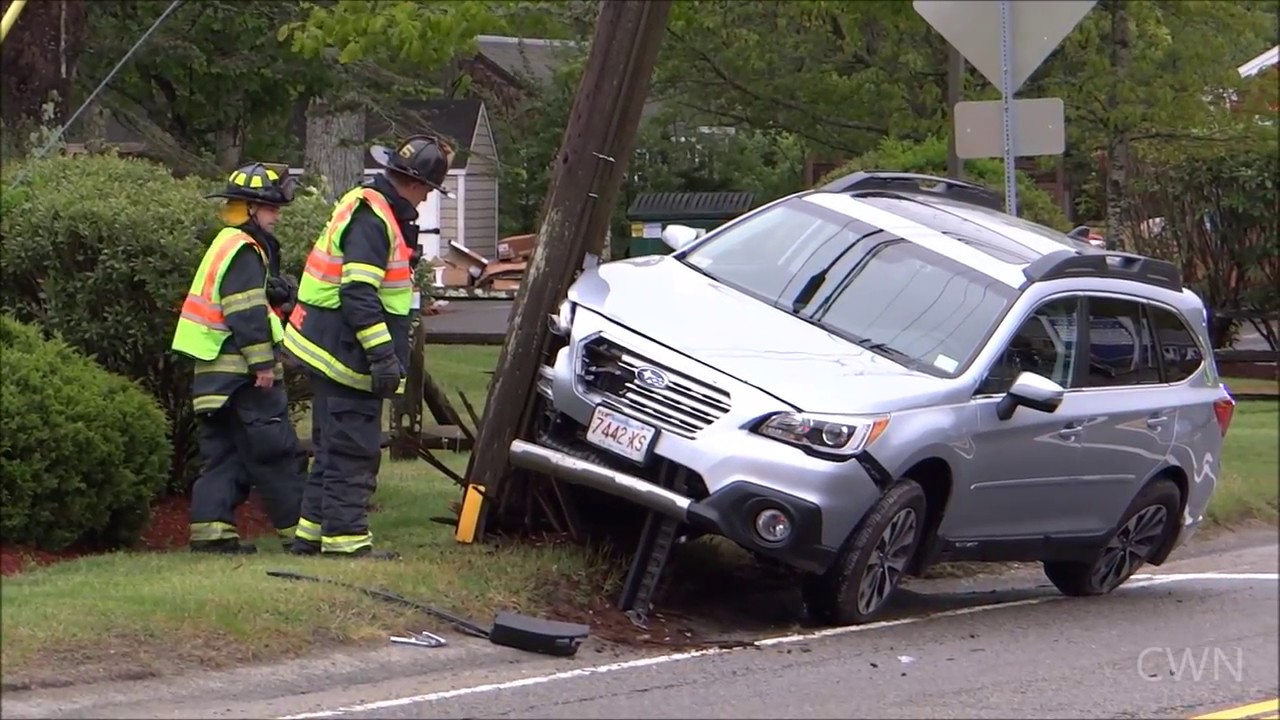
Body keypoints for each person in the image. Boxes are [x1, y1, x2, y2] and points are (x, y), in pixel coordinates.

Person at [283, 134, 454, 560]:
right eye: (429, 192)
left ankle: (311, 534)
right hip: (347, 353)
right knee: (352, 449)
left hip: (330, 347)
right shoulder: (374, 221)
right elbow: (359, 295)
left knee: (330, 446)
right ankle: (346, 542)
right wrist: (382, 355)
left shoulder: (370, 207)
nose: (426, 201)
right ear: (416, 184)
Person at [171, 163, 306, 555]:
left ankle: (212, 537)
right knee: (276, 452)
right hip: (244, 375)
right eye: (271, 208)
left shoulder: (226, 244)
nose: (277, 216)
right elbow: (244, 310)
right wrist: (262, 363)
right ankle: (300, 536)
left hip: (215, 378)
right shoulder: (246, 250)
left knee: (224, 456)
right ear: (249, 208)